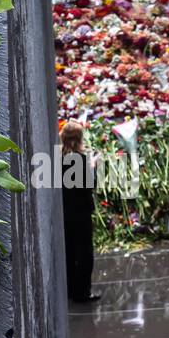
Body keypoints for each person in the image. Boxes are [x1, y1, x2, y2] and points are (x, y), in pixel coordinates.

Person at [60, 121, 100, 303]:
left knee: (68, 251)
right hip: (81, 212)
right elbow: (88, 186)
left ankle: (69, 289)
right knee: (84, 253)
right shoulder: (81, 159)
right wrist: (93, 167)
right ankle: (82, 292)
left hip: (64, 212)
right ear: (79, 138)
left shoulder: (57, 158)